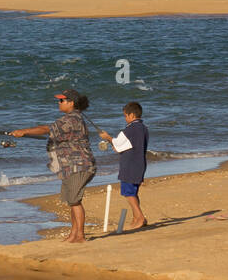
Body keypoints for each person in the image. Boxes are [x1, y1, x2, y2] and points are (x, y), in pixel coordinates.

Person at [9, 89, 96, 243]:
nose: (59, 103)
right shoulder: (73, 118)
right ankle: (73, 234)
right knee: (72, 201)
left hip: (78, 165)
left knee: (75, 201)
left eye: (62, 100)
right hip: (71, 166)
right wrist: (26, 133)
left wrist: (23, 131)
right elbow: (55, 134)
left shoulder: (71, 119)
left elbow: (46, 129)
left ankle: (80, 236)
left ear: (71, 103)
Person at [99, 101, 149, 231]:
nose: (125, 118)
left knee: (128, 193)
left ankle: (140, 218)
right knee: (133, 192)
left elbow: (116, 143)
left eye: (125, 116)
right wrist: (116, 145)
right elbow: (126, 146)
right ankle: (136, 218)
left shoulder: (129, 129)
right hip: (140, 164)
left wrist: (107, 137)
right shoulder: (144, 128)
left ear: (131, 115)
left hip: (130, 165)